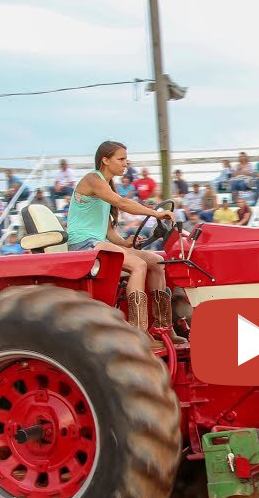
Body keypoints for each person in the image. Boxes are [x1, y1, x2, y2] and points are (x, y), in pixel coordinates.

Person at [68, 141, 181, 350]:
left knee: (156, 261)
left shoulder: (106, 185)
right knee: (138, 265)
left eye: (125, 159)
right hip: (83, 244)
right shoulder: (93, 179)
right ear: (105, 160)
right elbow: (123, 203)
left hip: (97, 241)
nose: (125, 163)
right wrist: (156, 213)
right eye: (120, 159)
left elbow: (107, 229)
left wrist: (124, 242)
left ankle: (164, 328)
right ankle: (139, 334)